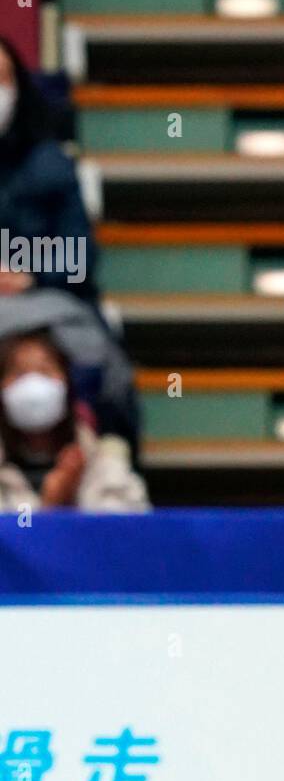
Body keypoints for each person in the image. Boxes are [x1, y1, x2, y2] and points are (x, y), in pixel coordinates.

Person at [0, 328, 149, 511]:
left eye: (45, 371)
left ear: (68, 385)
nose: (33, 384)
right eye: (19, 373)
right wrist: (52, 505)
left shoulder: (105, 461)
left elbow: (125, 532)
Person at [0, 35, 98, 305]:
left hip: (40, 301)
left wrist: (31, 277)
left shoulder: (49, 165)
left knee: (31, 348)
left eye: (1, 77)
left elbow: (78, 257)